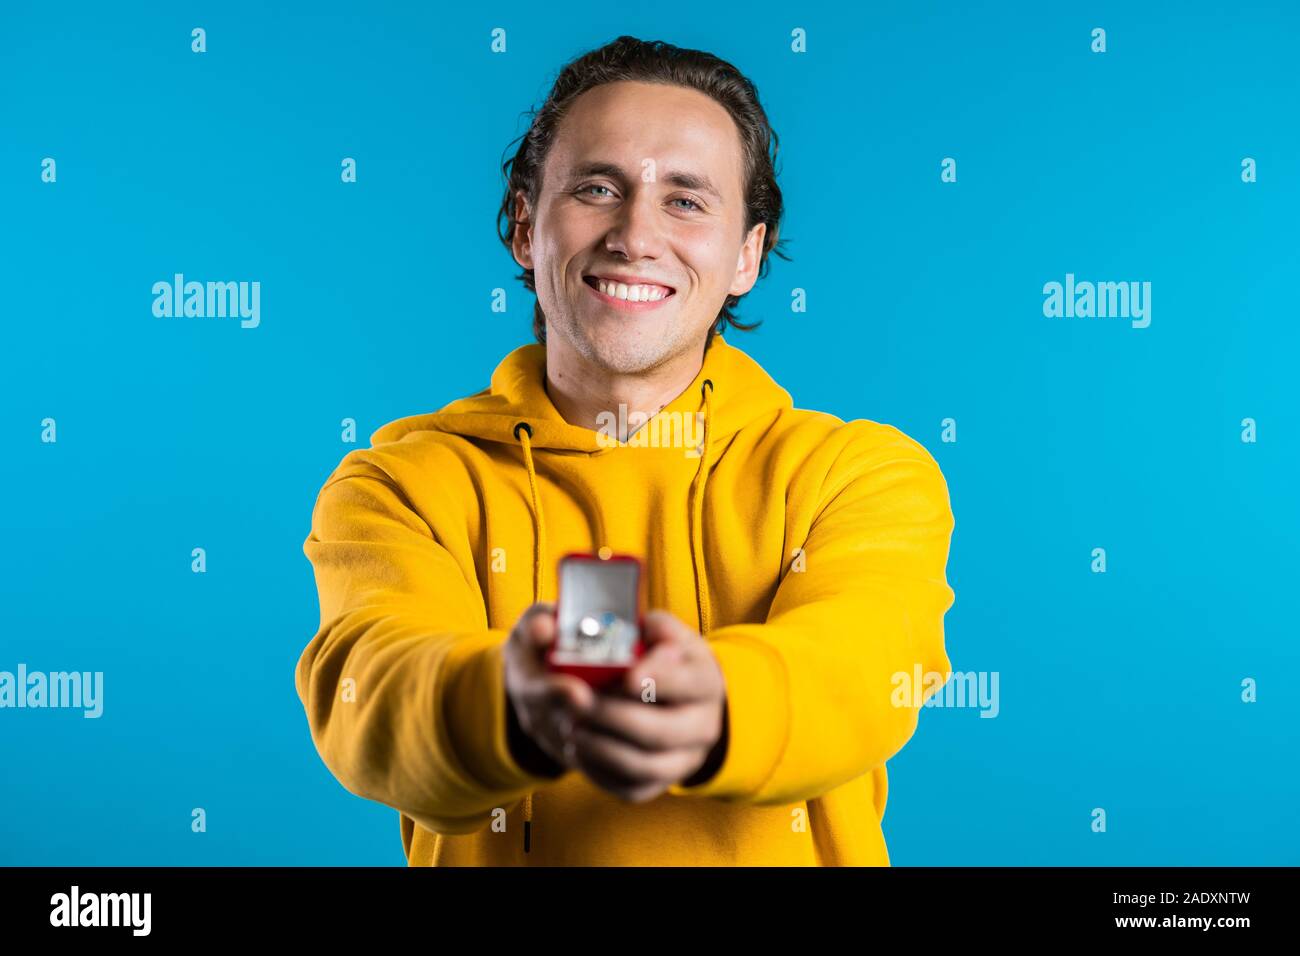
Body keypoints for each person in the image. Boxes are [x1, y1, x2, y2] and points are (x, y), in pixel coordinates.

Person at [295, 35, 956, 866]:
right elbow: (366, 691)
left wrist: (716, 705)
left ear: (746, 255)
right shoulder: (400, 482)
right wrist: (511, 701)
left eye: (686, 200)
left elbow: (866, 666)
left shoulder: (857, 476)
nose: (636, 236)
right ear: (524, 226)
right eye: (598, 189)